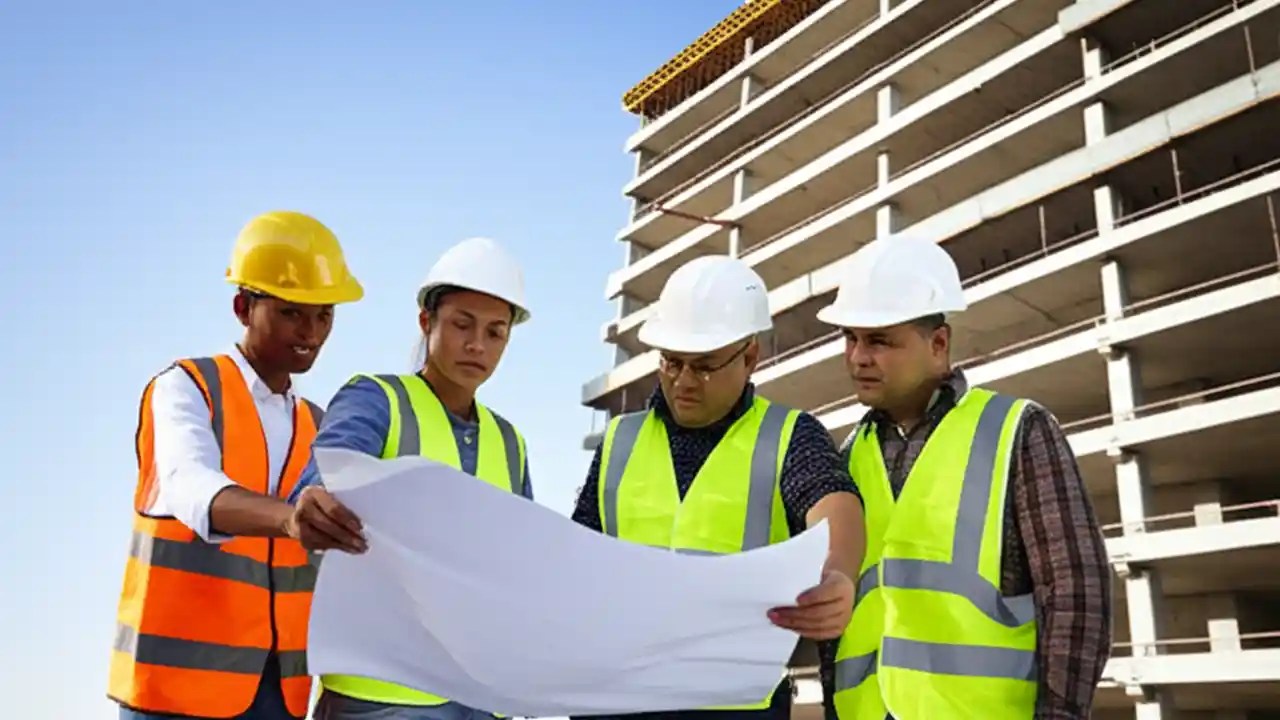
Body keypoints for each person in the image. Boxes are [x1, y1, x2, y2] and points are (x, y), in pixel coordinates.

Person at [815, 234, 1113, 720]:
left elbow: (1076, 593)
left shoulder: (1018, 430)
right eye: (850, 338)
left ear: (938, 345)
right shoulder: (846, 459)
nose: (857, 358)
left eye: (879, 340)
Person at [571, 254, 868, 720]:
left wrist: (838, 575)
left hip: (735, 705)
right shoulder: (619, 442)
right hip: (620, 697)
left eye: (704, 365)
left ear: (750, 355)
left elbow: (835, 504)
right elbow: (577, 555)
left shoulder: (788, 435)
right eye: (671, 362)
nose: (684, 381)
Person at [108, 210, 367, 720]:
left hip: (280, 692)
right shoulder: (186, 389)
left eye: (325, 315)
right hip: (174, 694)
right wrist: (290, 518)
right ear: (242, 307)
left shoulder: (320, 426)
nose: (312, 332)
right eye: (293, 312)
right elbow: (189, 485)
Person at [284, 236, 537, 720]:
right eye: (463, 324)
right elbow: (326, 475)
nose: (476, 345)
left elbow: (520, 566)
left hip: (482, 698)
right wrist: (313, 500)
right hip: (383, 698)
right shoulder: (376, 399)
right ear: (427, 321)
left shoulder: (510, 442)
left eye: (495, 332)